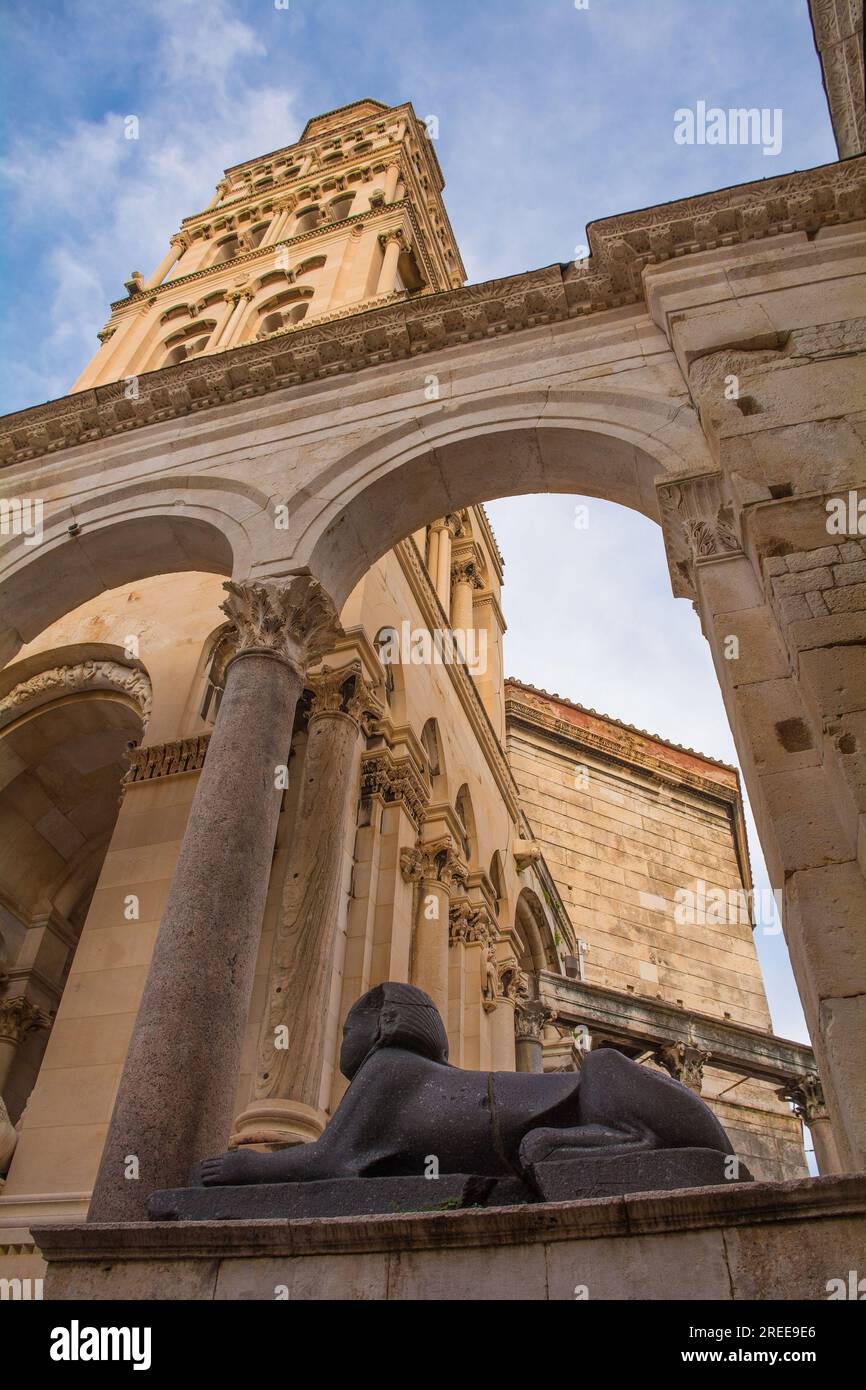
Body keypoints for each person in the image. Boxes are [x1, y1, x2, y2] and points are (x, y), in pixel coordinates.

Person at [200, 981, 732, 1187]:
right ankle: (613, 1141)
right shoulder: (404, 1077)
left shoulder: (389, 1071)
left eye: (348, 1030)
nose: (342, 1043)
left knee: (606, 1066)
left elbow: (328, 1162)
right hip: (536, 1126)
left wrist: (248, 1165)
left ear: (384, 1026)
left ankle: (630, 1141)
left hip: (591, 1106)